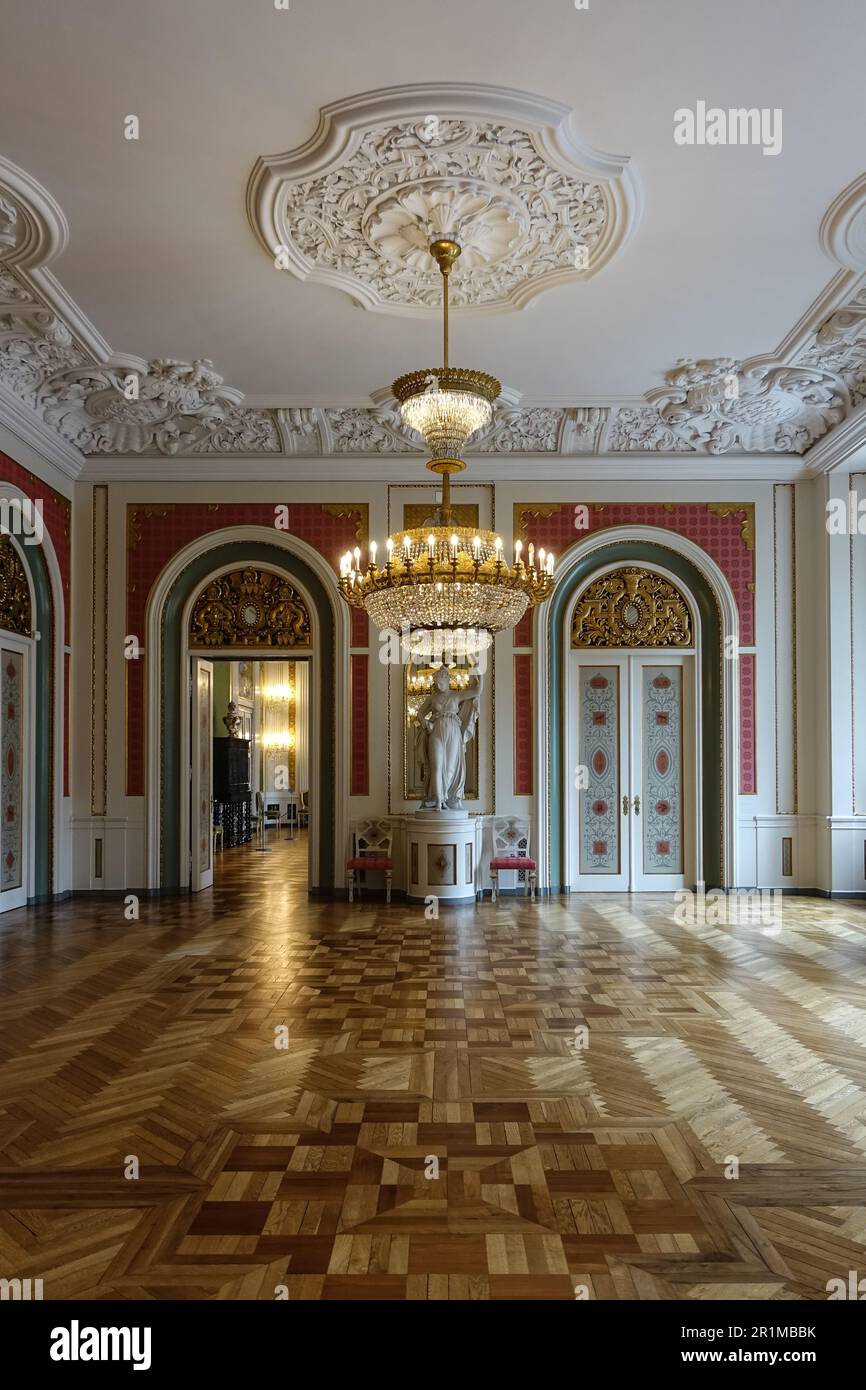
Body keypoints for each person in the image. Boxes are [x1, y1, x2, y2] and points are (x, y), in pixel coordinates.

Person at [416, 665, 482, 811]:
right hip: (436, 731)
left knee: (450, 768)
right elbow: (419, 713)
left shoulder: (456, 695)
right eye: (436, 683)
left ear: (447, 681)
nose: (438, 685)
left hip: (453, 731)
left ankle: (446, 799)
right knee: (436, 767)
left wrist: (479, 675)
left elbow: (477, 691)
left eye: (440, 682)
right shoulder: (432, 698)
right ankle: (438, 801)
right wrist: (426, 724)